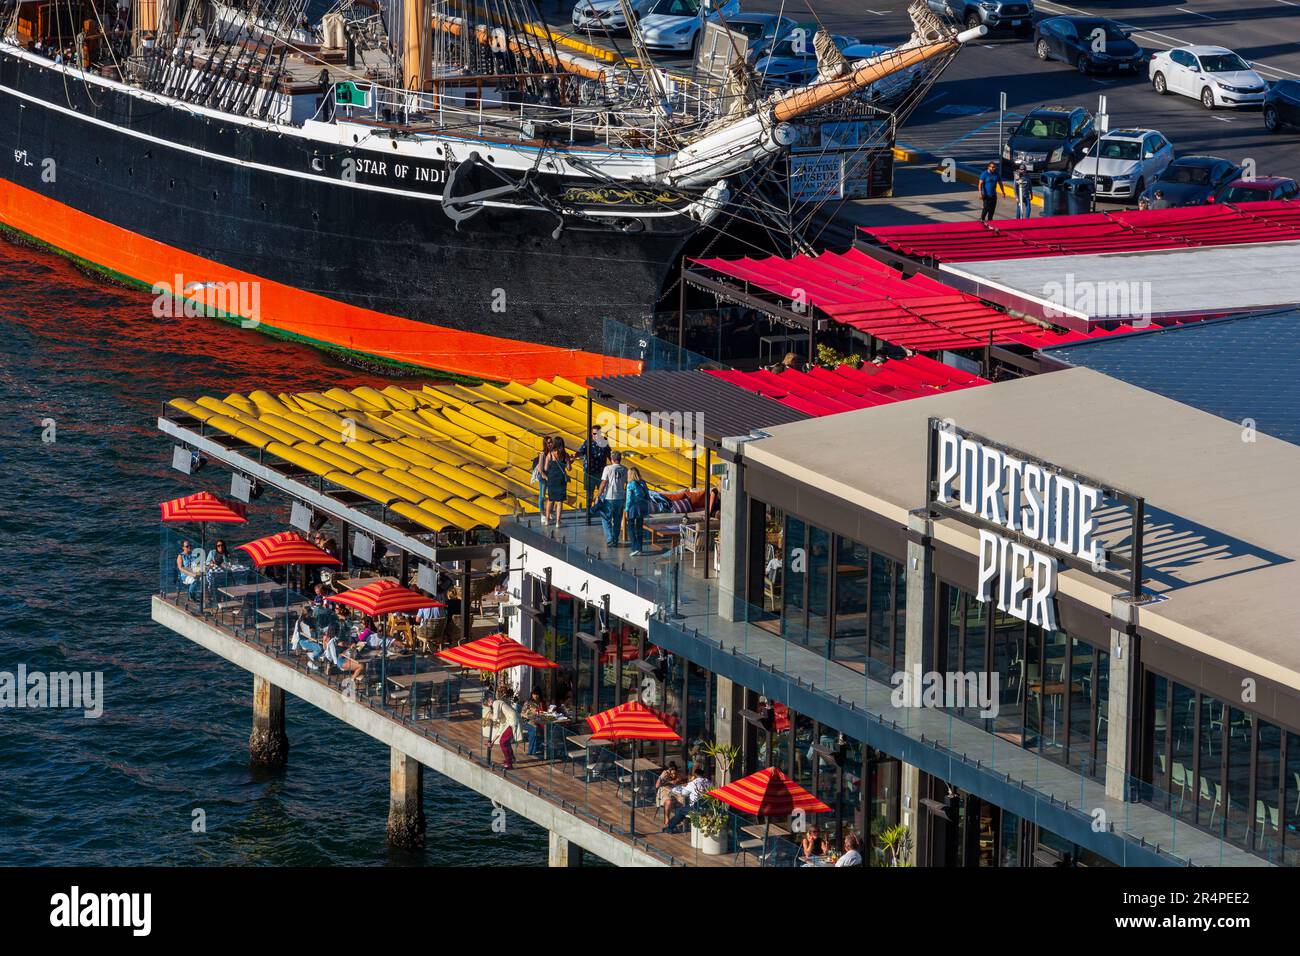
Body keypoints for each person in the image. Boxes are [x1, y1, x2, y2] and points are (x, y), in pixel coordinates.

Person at [662, 765, 714, 833]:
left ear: (695, 775)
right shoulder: (709, 782)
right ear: (703, 774)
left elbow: (684, 793)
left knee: (680, 811)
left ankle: (670, 827)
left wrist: (675, 789)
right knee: (684, 810)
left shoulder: (693, 783)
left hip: (696, 807)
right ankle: (674, 826)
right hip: (708, 806)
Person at [574, 425, 612, 513]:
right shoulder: (588, 442)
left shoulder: (604, 441)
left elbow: (609, 454)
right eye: (594, 434)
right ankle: (589, 511)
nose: (596, 436)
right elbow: (581, 451)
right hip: (590, 472)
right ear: (591, 434)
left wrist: (614, 464)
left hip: (601, 472)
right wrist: (575, 455)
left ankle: (601, 510)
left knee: (602, 492)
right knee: (589, 493)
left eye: (598, 433)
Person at [596, 450, 628, 547]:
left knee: (606, 518)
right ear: (620, 459)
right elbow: (627, 483)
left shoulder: (608, 468)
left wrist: (598, 495)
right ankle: (615, 539)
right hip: (620, 497)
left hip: (609, 497)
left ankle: (610, 538)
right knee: (617, 520)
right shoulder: (625, 469)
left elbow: (603, 483)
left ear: (612, 459)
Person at [542, 437, 571, 526]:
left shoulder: (550, 454)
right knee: (559, 501)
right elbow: (569, 468)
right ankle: (558, 522)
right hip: (561, 479)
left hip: (552, 479)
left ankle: (547, 520)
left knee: (550, 500)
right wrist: (569, 461)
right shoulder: (565, 455)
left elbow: (546, 468)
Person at [624, 466, 650, 556]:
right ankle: (640, 548)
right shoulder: (643, 482)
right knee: (639, 528)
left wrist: (626, 510)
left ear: (630, 475)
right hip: (642, 506)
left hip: (633, 507)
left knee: (630, 527)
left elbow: (629, 499)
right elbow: (647, 495)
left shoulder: (630, 484)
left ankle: (635, 548)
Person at [291, 606, 323, 671]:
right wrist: (310, 631)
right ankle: (311, 661)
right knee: (319, 649)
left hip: (312, 639)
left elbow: (315, 628)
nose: (312, 613)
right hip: (304, 641)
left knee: (323, 647)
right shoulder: (301, 621)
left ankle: (313, 657)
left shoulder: (311, 619)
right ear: (307, 613)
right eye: (311, 612)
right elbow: (301, 632)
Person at [530, 435, 554, 518]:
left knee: (552, 495)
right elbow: (540, 469)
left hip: (551, 476)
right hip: (543, 477)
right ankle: (542, 514)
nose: (550, 444)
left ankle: (550, 512)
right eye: (548, 443)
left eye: (551, 442)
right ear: (545, 444)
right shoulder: (543, 454)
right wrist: (545, 477)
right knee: (542, 496)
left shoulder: (554, 453)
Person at [521, 689, 548, 757]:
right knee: (534, 729)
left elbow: (545, 712)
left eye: (537, 694)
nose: (535, 696)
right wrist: (529, 715)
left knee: (546, 728)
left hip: (539, 721)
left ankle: (539, 748)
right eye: (534, 694)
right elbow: (522, 714)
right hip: (527, 722)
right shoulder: (528, 703)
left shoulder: (541, 703)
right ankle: (532, 751)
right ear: (532, 694)